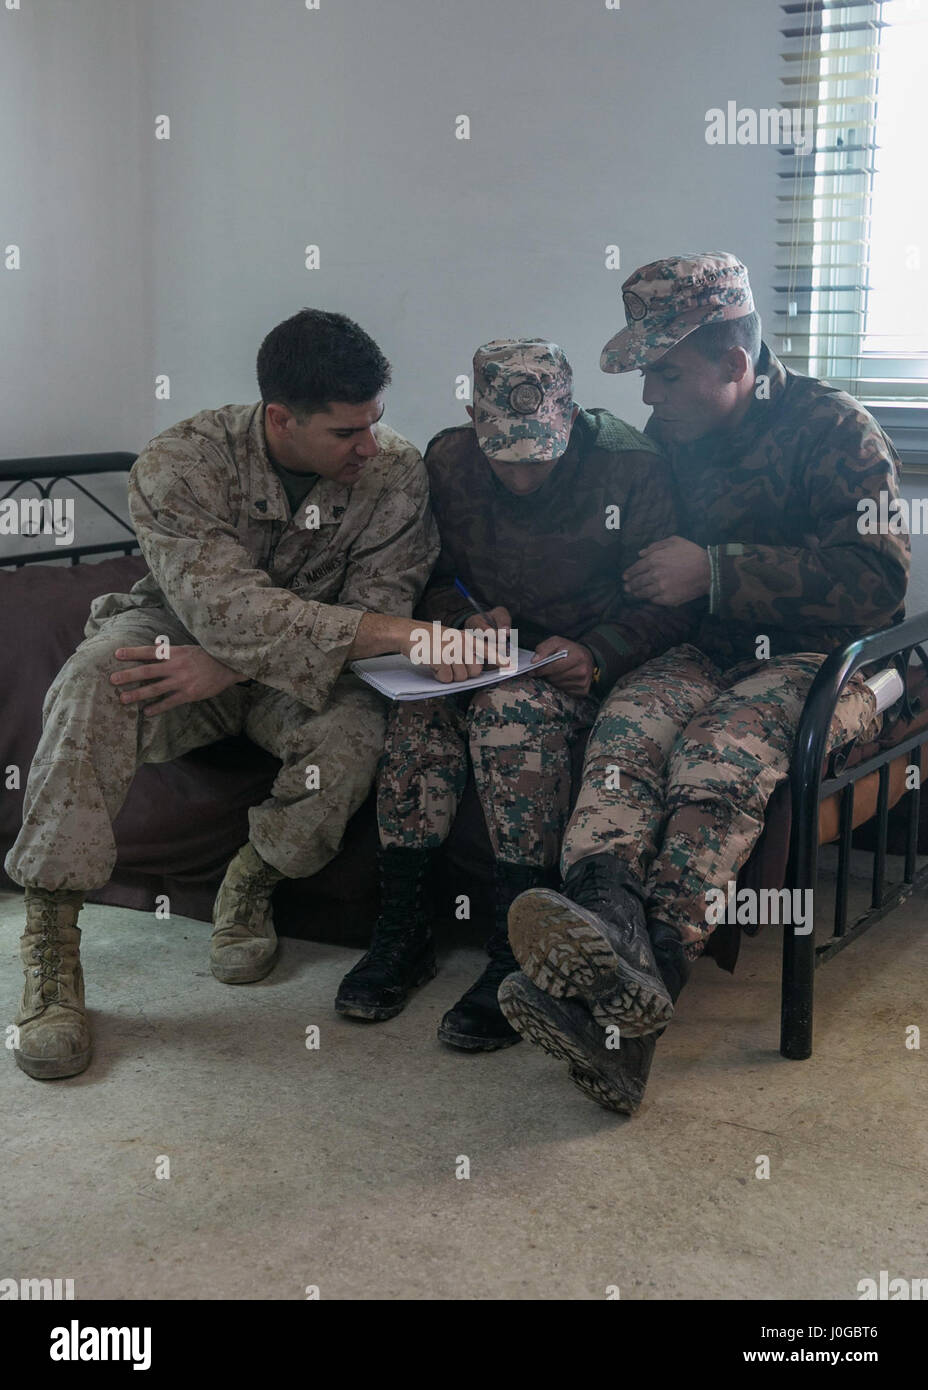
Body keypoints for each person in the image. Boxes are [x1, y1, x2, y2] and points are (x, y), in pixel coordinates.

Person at [498, 254, 910, 1112]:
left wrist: (716, 571)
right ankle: (610, 935)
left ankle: (630, 1009)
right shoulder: (671, 445)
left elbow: (877, 583)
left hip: (823, 659)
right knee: (626, 733)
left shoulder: (839, 430)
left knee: (720, 757)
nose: (651, 396)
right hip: (707, 650)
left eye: (667, 372)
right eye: (647, 373)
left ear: (735, 364)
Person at [5, 308, 453, 1081]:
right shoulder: (180, 462)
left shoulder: (395, 474)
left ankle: (251, 882)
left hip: (297, 667)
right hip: (174, 631)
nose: (369, 447)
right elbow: (229, 612)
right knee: (89, 684)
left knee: (355, 735)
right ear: (281, 418)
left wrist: (234, 665)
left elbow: (383, 605)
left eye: (375, 421)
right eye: (347, 432)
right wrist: (233, 648)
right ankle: (49, 940)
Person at [335, 338, 695, 1050]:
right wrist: (463, 619)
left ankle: (514, 951)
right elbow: (430, 575)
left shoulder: (631, 467)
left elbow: (673, 608)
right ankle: (404, 932)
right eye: (506, 455)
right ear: (473, 418)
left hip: (583, 665)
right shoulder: (447, 460)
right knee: (417, 710)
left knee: (512, 715)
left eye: (542, 456)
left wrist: (596, 653)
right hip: (487, 653)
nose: (524, 476)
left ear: (572, 420)